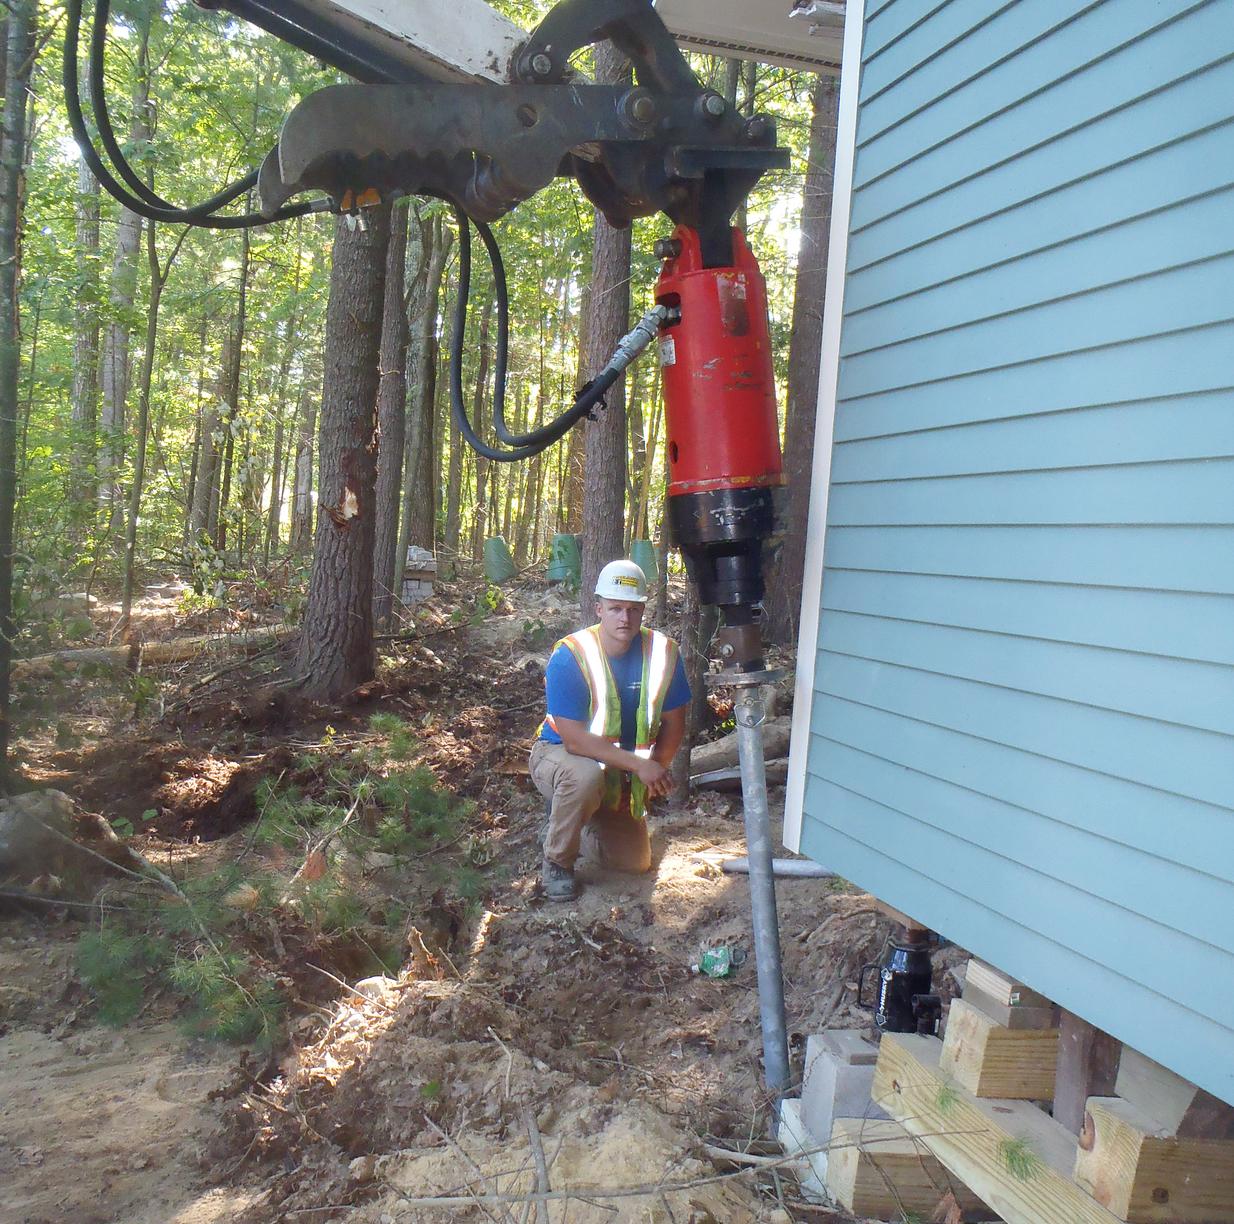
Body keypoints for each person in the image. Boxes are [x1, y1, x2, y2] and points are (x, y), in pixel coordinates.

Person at [529, 559, 691, 901]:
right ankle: (557, 860)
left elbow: (675, 721)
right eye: (616, 608)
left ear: (643, 610)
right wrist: (640, 765)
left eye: (633, 609)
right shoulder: (571, 655)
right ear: (598, 607)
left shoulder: (664, 653)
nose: (625, 618)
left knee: (634, 863)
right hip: (560, 755)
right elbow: (574, 739)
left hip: (618, 770)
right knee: (583, 778)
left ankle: (577, 820)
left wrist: (657, 767)